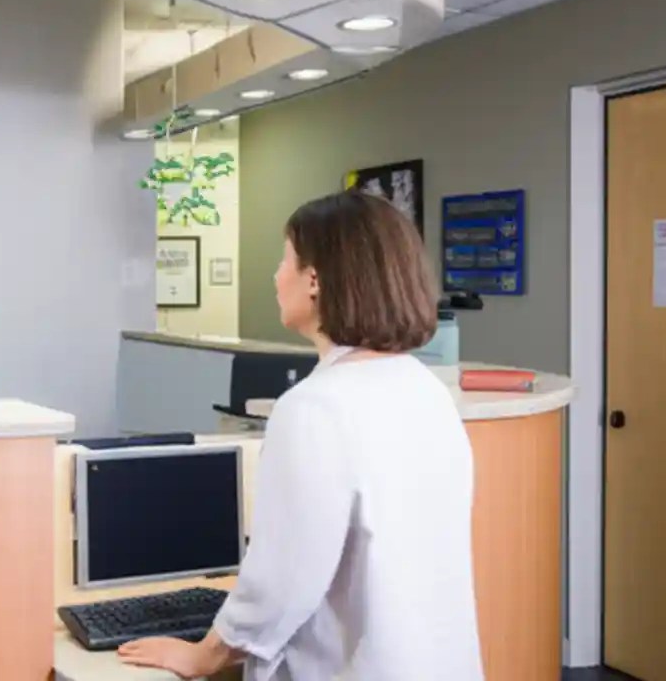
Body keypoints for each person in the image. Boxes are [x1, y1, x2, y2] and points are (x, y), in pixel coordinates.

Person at [119, 190, 483, 680]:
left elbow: (282, 581)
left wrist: (202, 655)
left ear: (314, 280)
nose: (276, 276)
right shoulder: (427, 391)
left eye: (284, 260)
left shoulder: (314, 409)